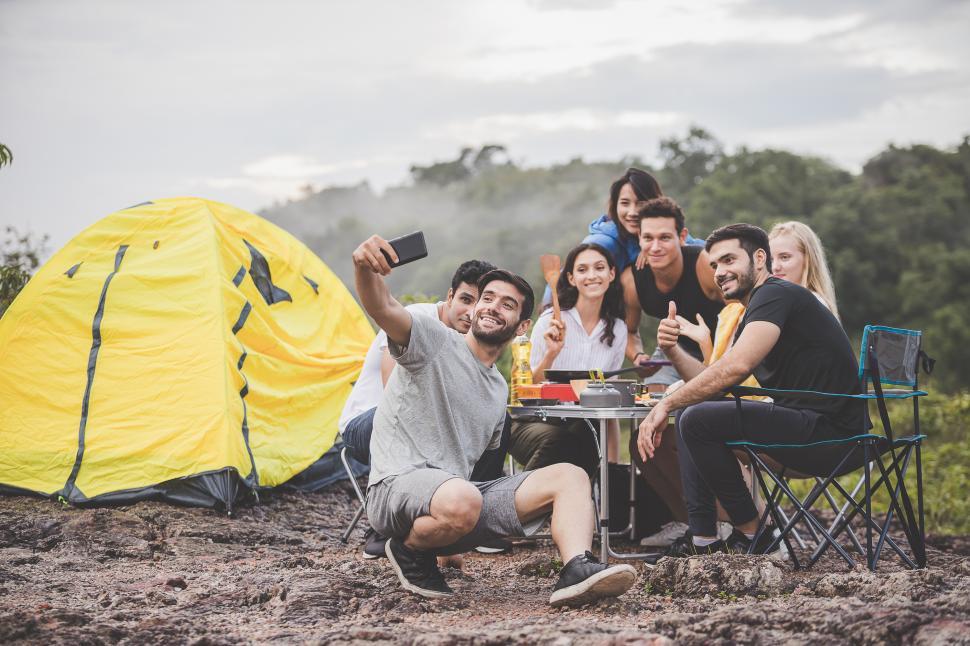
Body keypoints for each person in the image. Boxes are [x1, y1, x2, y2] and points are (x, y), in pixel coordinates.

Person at [353, 234, 637, 606]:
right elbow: (382, 306)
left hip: (456, 497)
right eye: (487, 298)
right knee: (462, 497)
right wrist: (364, 267)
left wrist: (462, 534)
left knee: (570, 475)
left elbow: (484, 474)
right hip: (396, 488)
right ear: (472, 309)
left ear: (522, 326)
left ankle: (576, 569)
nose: (491, 307)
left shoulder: (497, 388)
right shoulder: (434, 340)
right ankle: (407, 548)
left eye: (507, 304)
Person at [636, 223, 867, 558]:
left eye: (729, 260)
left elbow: (737, 366)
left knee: (696, 418)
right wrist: (673, 354)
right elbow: (719, 377)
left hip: (831, 434)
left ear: (760, 258)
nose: (720, 272)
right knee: (692, 413)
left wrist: (665, 404)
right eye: (714, 265)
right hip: (812, 425)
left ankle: (756, 535)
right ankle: (703, 540)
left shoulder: (775, 294)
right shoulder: (757, 308)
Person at [338, 259, 504, 560]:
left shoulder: (468, 344)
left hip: (425, 436)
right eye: (465, 299)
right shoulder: (417, 319)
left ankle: (472, 523)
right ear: (450, 296)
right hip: (367, 423)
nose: (471, 312)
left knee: (495, 422)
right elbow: (394, 398)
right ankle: (385, 528)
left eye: (480, 303)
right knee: (424, 423)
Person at [509, 243, 627, 475]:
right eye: (582, 270)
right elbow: (526, 389)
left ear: (611, 274)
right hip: (540, 420)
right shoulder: (549, 322)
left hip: (586, 424)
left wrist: (613, 467)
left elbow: (607, 396)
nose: (592, 275)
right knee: (568, 440)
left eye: (599, 268)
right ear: (571, 278)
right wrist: (551, 353)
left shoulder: (619, 329)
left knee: (586, 434)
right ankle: (519, 503)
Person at [621, 197, 723, 386]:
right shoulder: (632, 280)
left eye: (665, 238)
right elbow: (628, 330)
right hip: (675, 349)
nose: (655, 247)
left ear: (682, 237)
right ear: (639, 238)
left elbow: (742, 311)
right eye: (648, 238)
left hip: (722, 347)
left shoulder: (705, 265)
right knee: (654, 394)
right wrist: (638, 355)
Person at [769, 221, 839, 319]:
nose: (775, 267)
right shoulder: (778, 302)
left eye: (784, 257)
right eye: (770, 260)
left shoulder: (812, 303)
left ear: (808, 260)